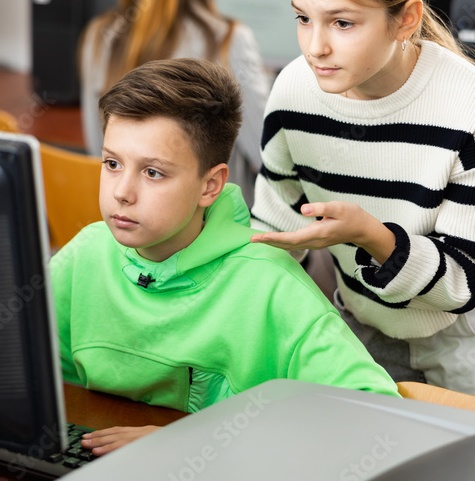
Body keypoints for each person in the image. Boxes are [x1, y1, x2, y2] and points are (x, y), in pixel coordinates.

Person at [249, 0, 475, 406]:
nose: (315, 46)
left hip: (472, 337)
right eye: (303, 18)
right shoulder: (294, 92)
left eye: (342, 23)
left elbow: (468, 279)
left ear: (405, 17)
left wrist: (373, 236)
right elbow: (272, 241)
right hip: (365, 325)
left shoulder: (468, 105)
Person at [51, 58, 399, 456]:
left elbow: (376, 417)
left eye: (153, 173)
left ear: (210, 185)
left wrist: (188, 442)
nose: (121, 192)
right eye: (112, 164)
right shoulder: (84, 256)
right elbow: (15, 376)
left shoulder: (269, 285)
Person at [78, 0, 270, 204]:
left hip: (133, 236)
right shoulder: (229, 41)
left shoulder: (101, 36)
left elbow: (94, 149)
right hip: (208, 240)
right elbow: (268, 155)